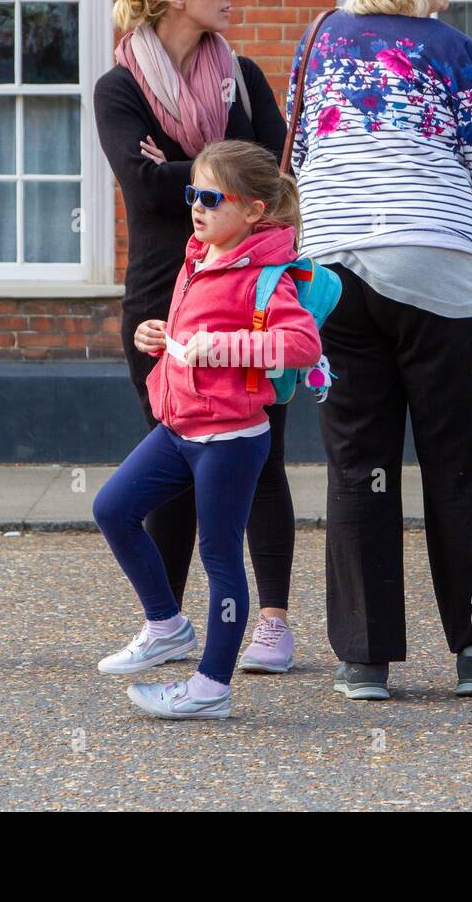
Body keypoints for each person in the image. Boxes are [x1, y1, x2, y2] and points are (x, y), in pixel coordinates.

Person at [286, 0, 472, 700]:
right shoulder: (454, 50)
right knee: (459, 461)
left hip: (333, 271)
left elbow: (306, 149)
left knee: (358, 461)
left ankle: (364, 658)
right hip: (438, 271)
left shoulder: (318, 40)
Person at [93, 0, 303, 673]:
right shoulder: (120, 87)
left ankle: (272, 621)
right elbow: (142, 187)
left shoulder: (241, 76)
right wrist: (220, 178)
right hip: (162, 293)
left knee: (263, 453)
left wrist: (179, 168)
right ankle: (168, 622)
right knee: (174, 452)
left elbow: (277, 179)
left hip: (253, 293)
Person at [92, 140, 321, 719]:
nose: (196, 206)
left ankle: (210, 688)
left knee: (221, 559)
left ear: (253, 211)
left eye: (211, 197)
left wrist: (222, 347)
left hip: (230, 440)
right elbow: (185, 334)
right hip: (179, 427)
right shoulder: (199, 255)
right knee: (112, 508)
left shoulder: (268, 273)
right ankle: (166, 624)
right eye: (193, 193)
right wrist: (156, 336)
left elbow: (301, 344)